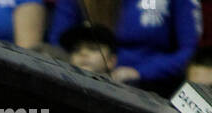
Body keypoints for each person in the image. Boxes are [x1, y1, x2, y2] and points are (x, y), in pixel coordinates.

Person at [49, 0, 201, 91]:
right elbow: (57, 42)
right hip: (86, 81)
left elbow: (189, 52)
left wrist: (140, 72)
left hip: (152, 88)